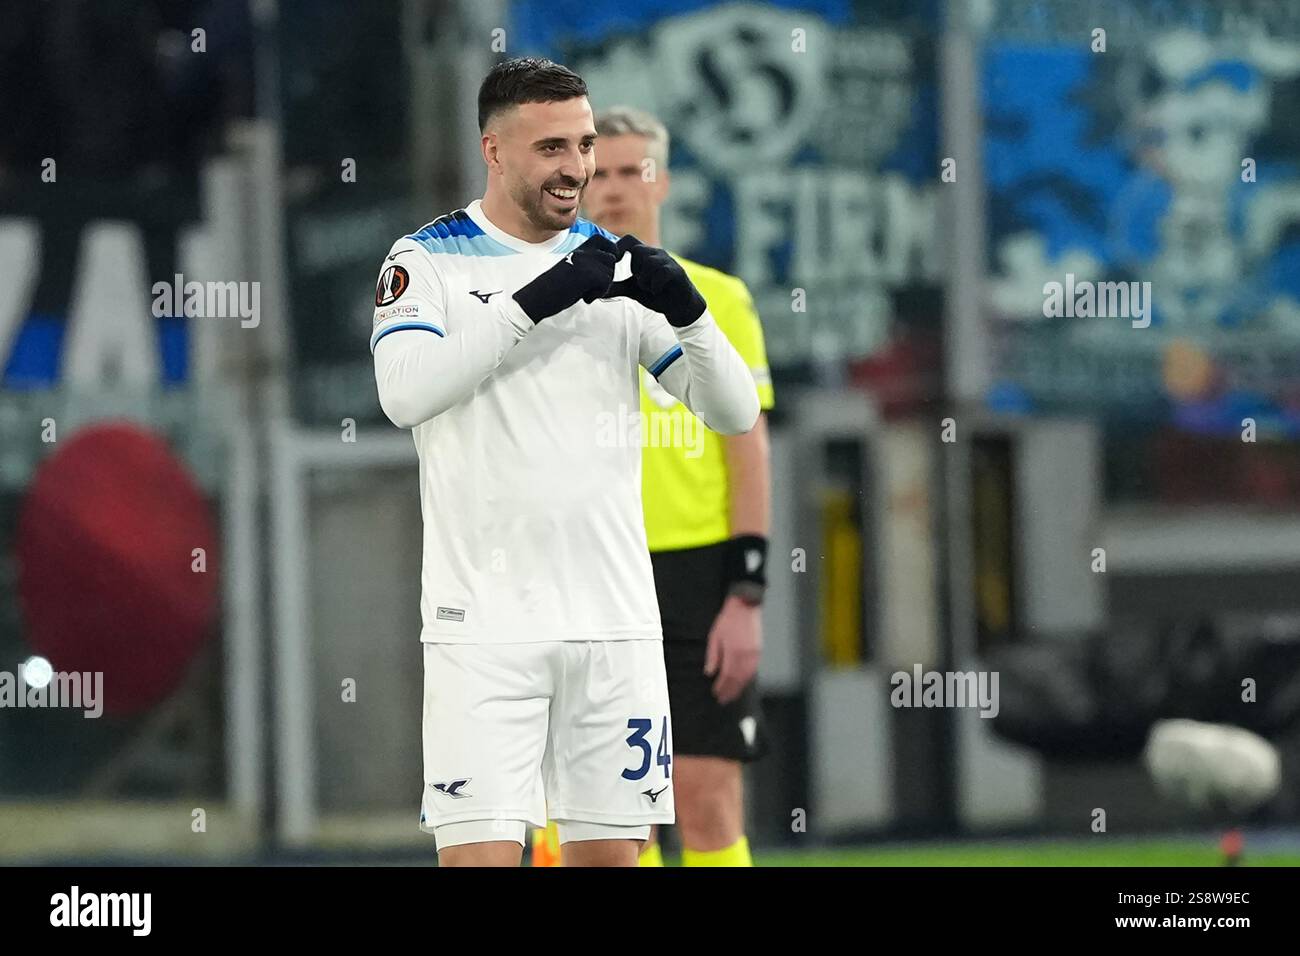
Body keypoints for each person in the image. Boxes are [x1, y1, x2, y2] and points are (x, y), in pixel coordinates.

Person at [370, 57, 760, 867]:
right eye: (552, 148)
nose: (576, 168)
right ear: (495, 150)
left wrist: (687, 311)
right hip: (483, 631)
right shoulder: (429, 261)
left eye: (582, 145)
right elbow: (405, 394)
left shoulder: (613, 266)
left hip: (615, 629)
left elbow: (732, 411)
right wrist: (531, 301)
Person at [533, 107, 774, 867]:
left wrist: (746, 592)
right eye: (596, 172)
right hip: (591, 573)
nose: (611, 189)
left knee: (705, 796)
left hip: (697, 575)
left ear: (661, 181)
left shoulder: (718, 299)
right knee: (604, 818)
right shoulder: (546, 303)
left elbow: (747, 448)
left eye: (630, 171)